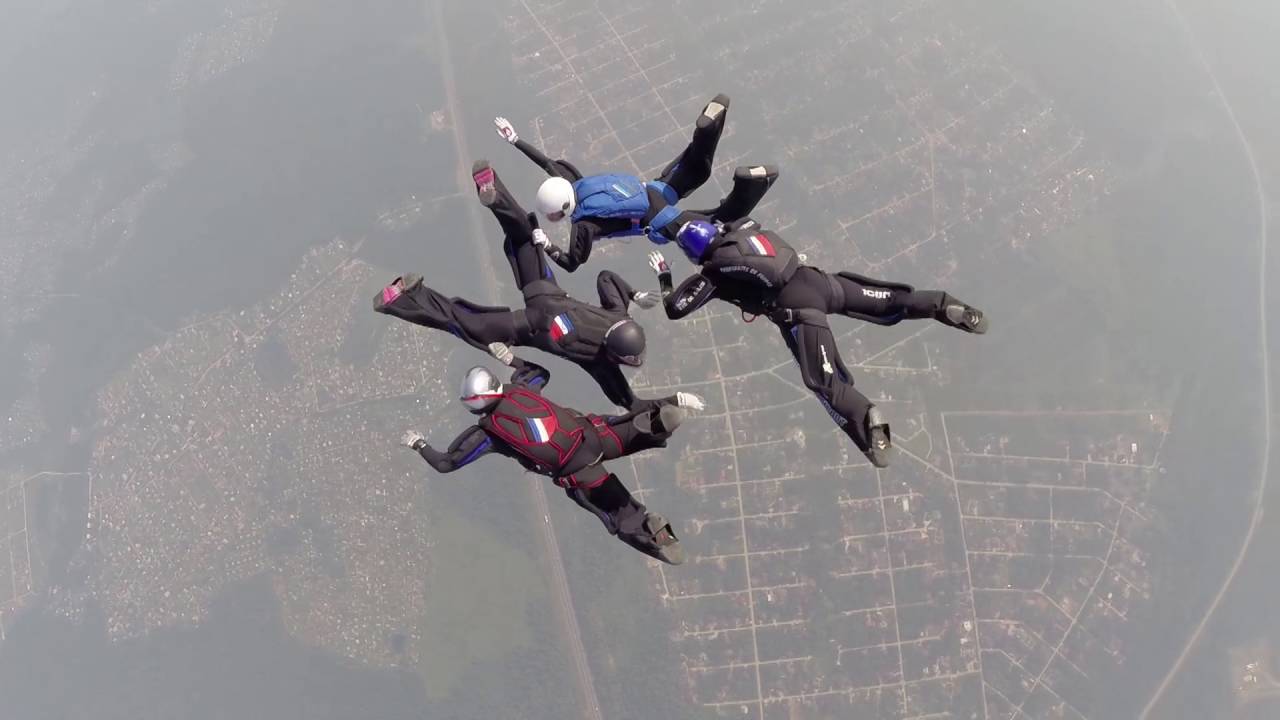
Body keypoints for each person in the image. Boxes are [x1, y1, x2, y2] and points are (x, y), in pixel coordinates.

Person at [645, 218, 989, 468]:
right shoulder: (745, 229)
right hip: (822, 283)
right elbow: (736, 214)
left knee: (824, 382)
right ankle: (947, 307)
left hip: (799, 312)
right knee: (889, 302)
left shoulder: (713, 274)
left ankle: (868, 419)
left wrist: (664, 277)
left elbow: (676, 308)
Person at [373, 161, 698, 413]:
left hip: (544, 294)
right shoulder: (602, 364)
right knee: (464, 324)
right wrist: (674, 401)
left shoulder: (617, 317)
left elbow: (606, 278)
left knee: (524, 238)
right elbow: (634, 405)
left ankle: (493, 191)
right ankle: (401, 299)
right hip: (526, 324)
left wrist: (634, 296)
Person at [400, 354, 700, 564]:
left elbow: (445, 463)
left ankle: (655, 533)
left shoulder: (488, 433)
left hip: (580, 472)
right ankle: (655, 424)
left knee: (624, 518)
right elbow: (541, 372)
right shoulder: (520, 387)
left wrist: (418, 443)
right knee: (628, 429)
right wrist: (511, 360)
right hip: (592, 434)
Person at [493, 94, 778, 271]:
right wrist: (515, 139)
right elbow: (545, 163)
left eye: (554, 214)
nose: (554, 218)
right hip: (652, 190)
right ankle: (709, 129)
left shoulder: (583, 226)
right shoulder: (571, 182)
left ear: (564, 207)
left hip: (659, 219)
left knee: (719, 223)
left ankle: (750, 184)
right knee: (694, 170)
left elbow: (571, 265)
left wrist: (546, 245)